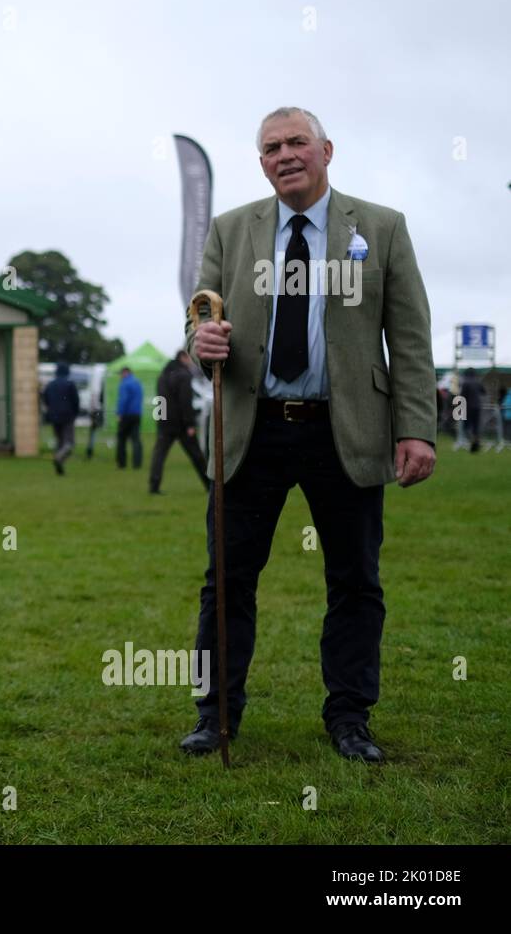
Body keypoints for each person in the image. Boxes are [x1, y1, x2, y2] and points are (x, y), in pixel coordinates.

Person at [182, 107, 435, 763]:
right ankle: (216, 718)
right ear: (261, 161)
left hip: (346, 432)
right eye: (271, 147)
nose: (285, 154)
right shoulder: (230, 230)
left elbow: (408, 341)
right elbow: (200, 325)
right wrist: (200, 342)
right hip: (251, 429)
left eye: (298, 142)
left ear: (327, 150)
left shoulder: (381, 229)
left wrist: (416, 429)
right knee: (227, 583)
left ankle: (350, 719)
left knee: (355, 583)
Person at [148, 350, 207, 494]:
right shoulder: (184, 375)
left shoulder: (162, 375)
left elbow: (160, 400)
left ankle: (154, 486)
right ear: (183, 357)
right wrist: (190, 424)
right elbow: (185, 402)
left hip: (165, 422)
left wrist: (161, 419)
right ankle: (210, 485)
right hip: (181, 423)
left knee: (159, 455)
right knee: (197, 456)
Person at [42, 363, 79, 474]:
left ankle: (59, 468)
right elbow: (76, 401)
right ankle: (59, 458)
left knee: (59, 441)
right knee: (69, 443)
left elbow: (45, 399)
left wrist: (51, 411)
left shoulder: (50, 384)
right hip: (67, 416)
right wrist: (75, 413)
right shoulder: (70, 384)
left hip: (54, 416)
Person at [115, 366, 143, 469]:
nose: (120, 376)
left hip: (126, 414)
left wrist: (119, 413)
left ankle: (122, 463)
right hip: (137, 414)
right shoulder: (137, 382)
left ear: (125, 373)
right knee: (136, 439)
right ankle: (137, 463)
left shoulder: (124, 384)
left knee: (121, 439)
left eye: (121, 374)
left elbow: (123, 399)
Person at [459, 368, 485, 452]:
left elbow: (462, 396)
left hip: (468, 407)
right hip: (477, 407)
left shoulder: (465, 383)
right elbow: (484, 392)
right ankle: (476, 442)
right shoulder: (478, 382)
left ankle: (472, 442)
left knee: (467, 426)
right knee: (476, 426)